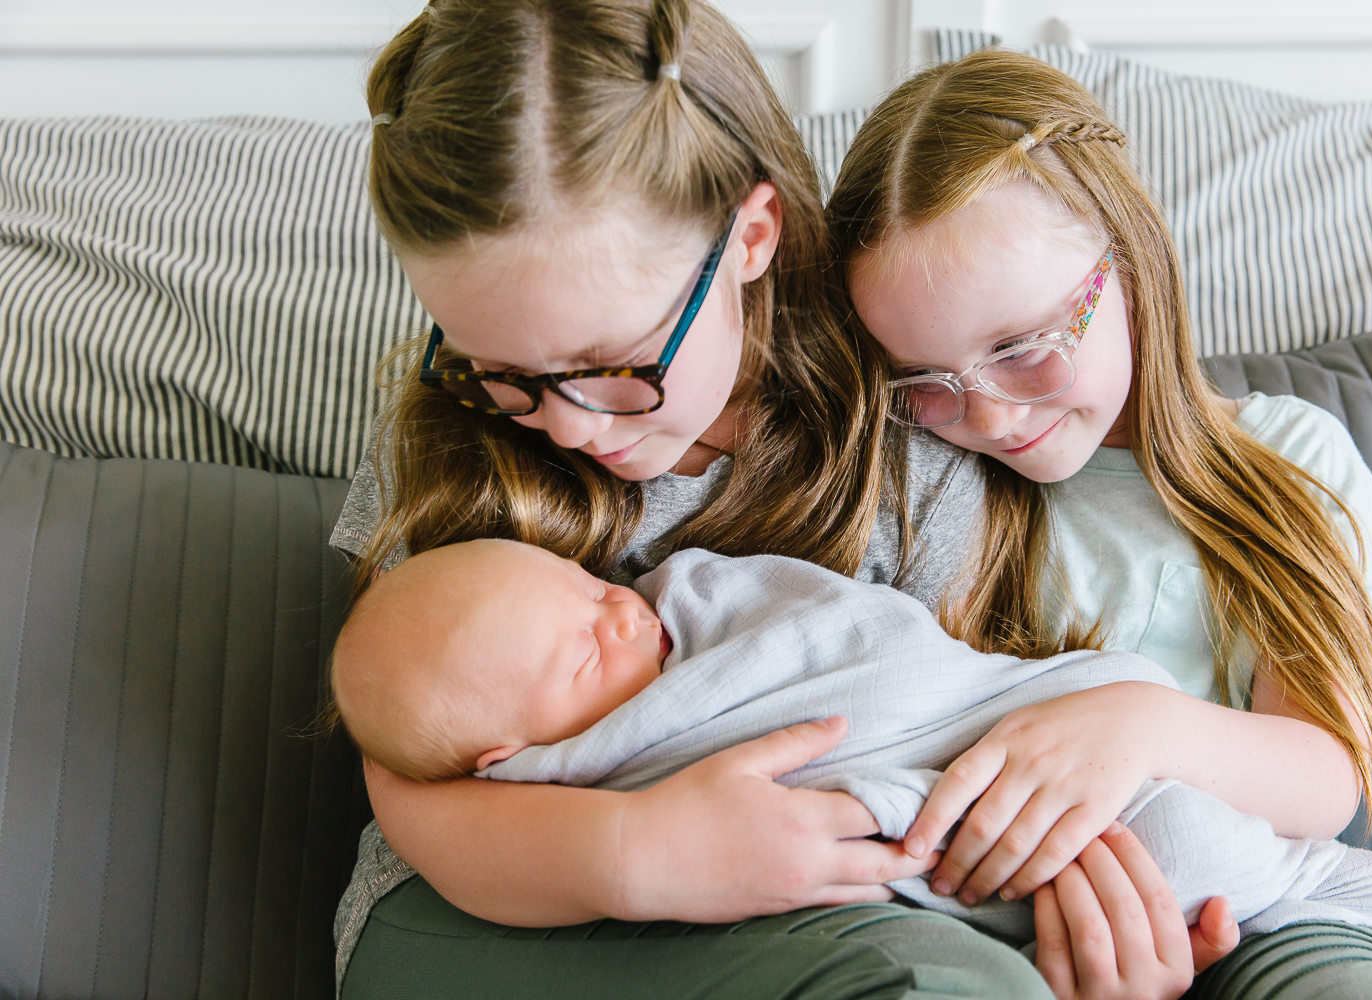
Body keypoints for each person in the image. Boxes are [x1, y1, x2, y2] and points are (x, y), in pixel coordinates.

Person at [328, 2, 1244, 998]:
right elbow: (407, 764)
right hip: (489, 907)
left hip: (840, 918)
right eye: (502, 368)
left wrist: (1082, 924)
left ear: (751, 233)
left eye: (615, 365)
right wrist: (635, 850)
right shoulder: (457, 439)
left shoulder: (902, 430)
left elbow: (947, 750)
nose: (574, 425)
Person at [826, 47, 1372, 1000]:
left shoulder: (1288, 457)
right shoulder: (932, 488)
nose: (988, 418)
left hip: (1270, 908)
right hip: (1006, 921)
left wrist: (1140, 726)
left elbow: (1327, 775)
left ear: (1131, 257)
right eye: (926, 384)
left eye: (1023, 350)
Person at [330, 538, 1372, 942]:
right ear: (509, 758)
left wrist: (1137, 715)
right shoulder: (545, 764)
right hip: (513, 911)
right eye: (579, 653)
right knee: (1179, 848)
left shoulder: (694, 593)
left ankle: (1302, 903)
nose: (615, 612)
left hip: (1060, 730)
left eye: (584, 581)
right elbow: (403, 765)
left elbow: (877, 657)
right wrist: (636, 847)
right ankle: (1295, 893)